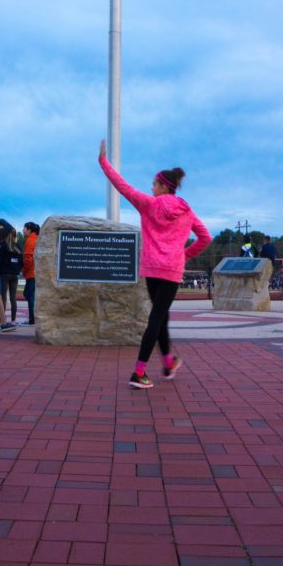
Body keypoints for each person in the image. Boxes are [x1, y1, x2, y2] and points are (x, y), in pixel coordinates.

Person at [98, 140, 212, 388]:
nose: (151, 188)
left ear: (163, 186)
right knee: (158, 317)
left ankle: (168, 362)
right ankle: (139, 372)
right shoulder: (187, 212)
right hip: (172, 271)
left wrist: (103, 162)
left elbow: (122, 186)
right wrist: (184, 255)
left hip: (151, 269)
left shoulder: (148, 205)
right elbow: (205, 237)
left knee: (160, 317)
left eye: (153, 184)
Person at [0, 228, 23, 323]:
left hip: (4, 274)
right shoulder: (19, 247)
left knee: (3, 297)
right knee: (13, 298)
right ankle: (13, 319)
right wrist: (17, 269)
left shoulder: (3, 247)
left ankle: (2, 319)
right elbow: (21, 262)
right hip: (15, 275)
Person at [22, 222, 39, 325]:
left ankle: (32, 318)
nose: (23, 230)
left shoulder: (30, 241)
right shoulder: (37, 239)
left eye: (24, 228)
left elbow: (28, 259)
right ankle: (33, 317)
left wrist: (23, 270)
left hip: (31, 273)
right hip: (36, 273)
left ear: (29, 230)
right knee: (30, 294)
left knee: (29, 294)